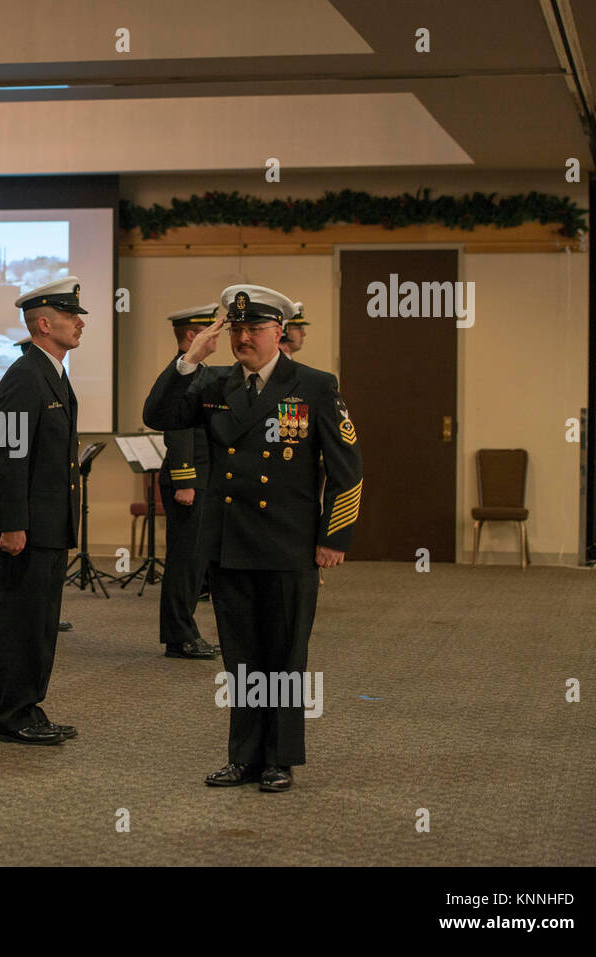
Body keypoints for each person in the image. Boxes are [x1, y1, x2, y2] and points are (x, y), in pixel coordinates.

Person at [142, 284, 363, 793]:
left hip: (289, 545)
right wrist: (189, 360)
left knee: (284, 656)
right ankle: (242, 756)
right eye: (236, 329)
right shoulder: (214, 385)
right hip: (231, 544)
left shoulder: (314, 385)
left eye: (255, 328)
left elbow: (348, 471)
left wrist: (335, 537)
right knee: (241, 657)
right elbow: (158, 415)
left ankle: (279, 758)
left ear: (278, 333)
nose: (244, 337)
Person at [0, 278, 84, 746]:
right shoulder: (25, 377)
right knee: (23, 625)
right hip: (26, 528)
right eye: (71, 316)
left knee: (42, 624)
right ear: (45, 324)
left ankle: (30, 706)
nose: (80, 322)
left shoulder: (53, 373)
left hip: (49, 525)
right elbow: (9, 457)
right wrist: (12, 524)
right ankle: (12, 715)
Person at [157, 305, 219, 661]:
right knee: (184, 561)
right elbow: (179, 430)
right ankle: (179, 636)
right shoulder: (184, 373)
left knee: (196, 561)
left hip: (203, 479)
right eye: (209, 330)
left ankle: (187, 630)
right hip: (189, 482)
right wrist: (185, 481)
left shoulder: (200, 372)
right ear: (193, 336)